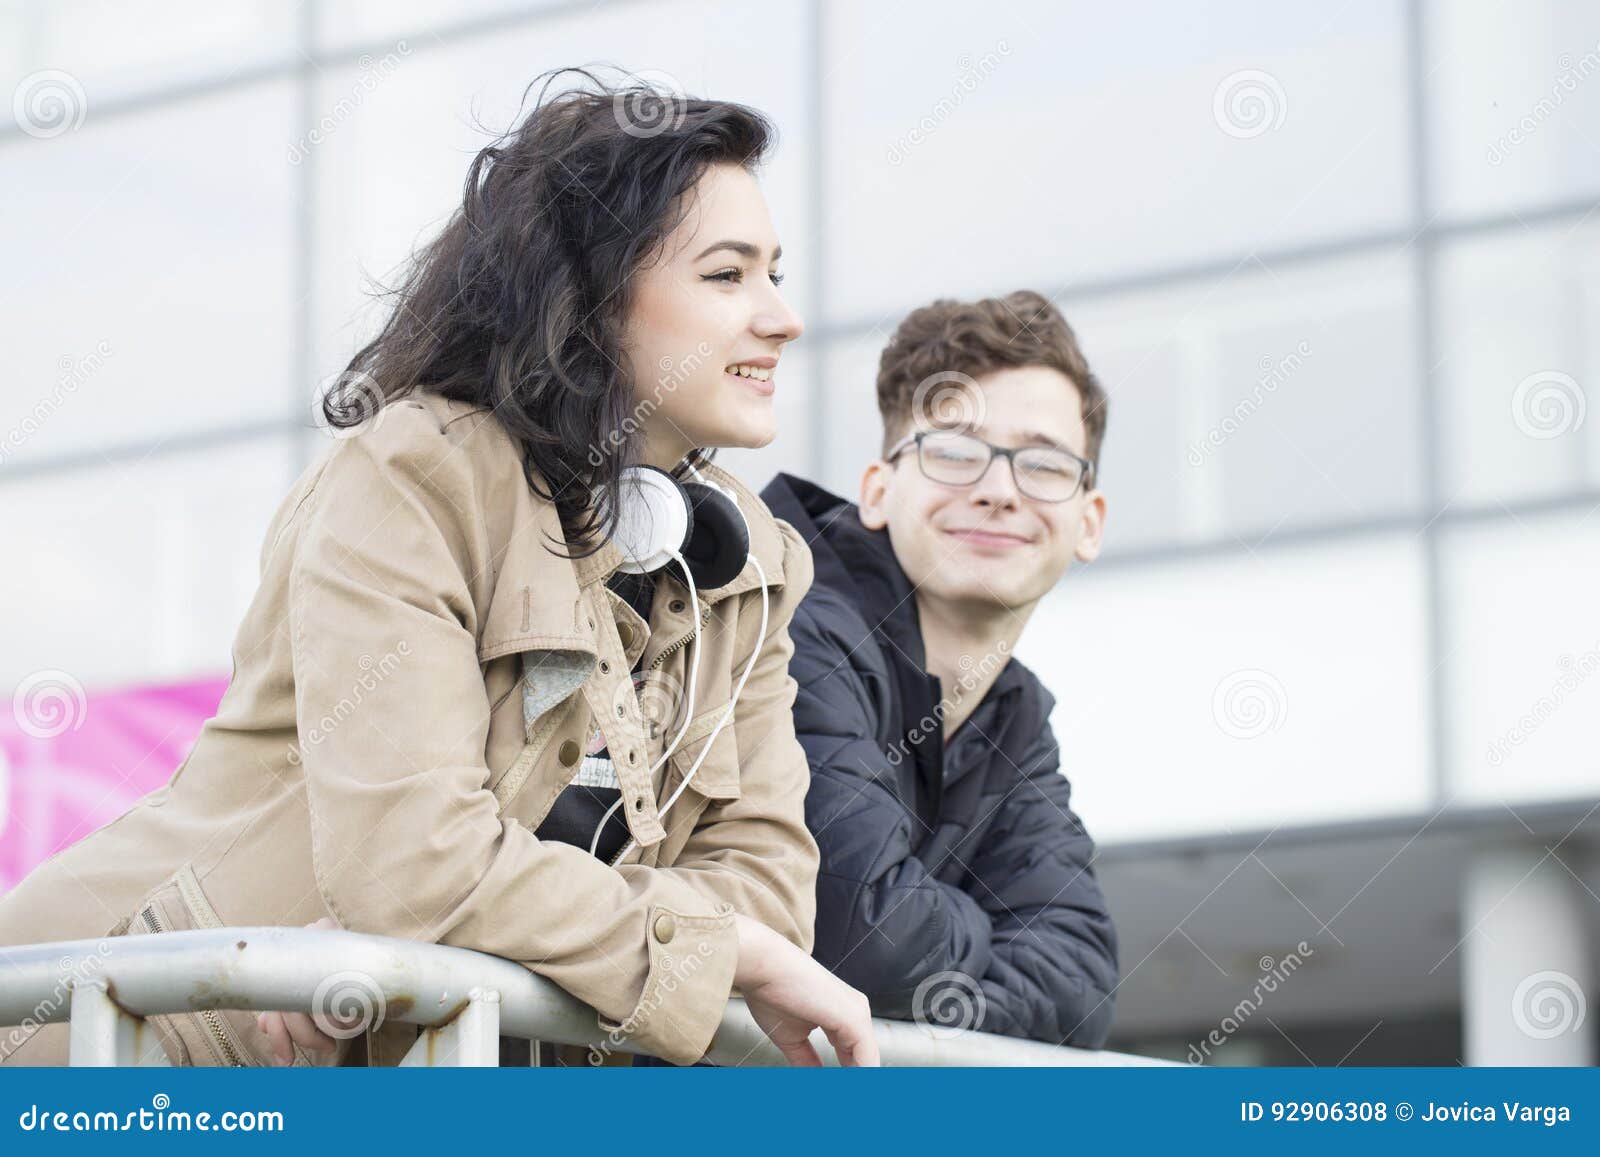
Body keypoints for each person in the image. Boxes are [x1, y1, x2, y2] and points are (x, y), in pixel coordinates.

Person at [0, 70, 876, 1069]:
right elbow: (416, 856)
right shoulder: (415, 472)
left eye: (775, 274)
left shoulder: (749, 561)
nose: (780, 317)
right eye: (727, 276)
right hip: (132, 1046)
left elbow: (764, 895)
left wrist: (446, 932)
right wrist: (431, 914)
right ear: (590, 298)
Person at [761, 290, 1119, 1047]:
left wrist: (928, 934)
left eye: (1046, 463)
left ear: (1088, 522)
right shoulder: (789, 627)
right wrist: (983, 930)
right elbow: (866, 941)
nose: (997, 489)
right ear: (878, 492)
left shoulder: (1014, 716)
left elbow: (1081, 984)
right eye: (955, 450)